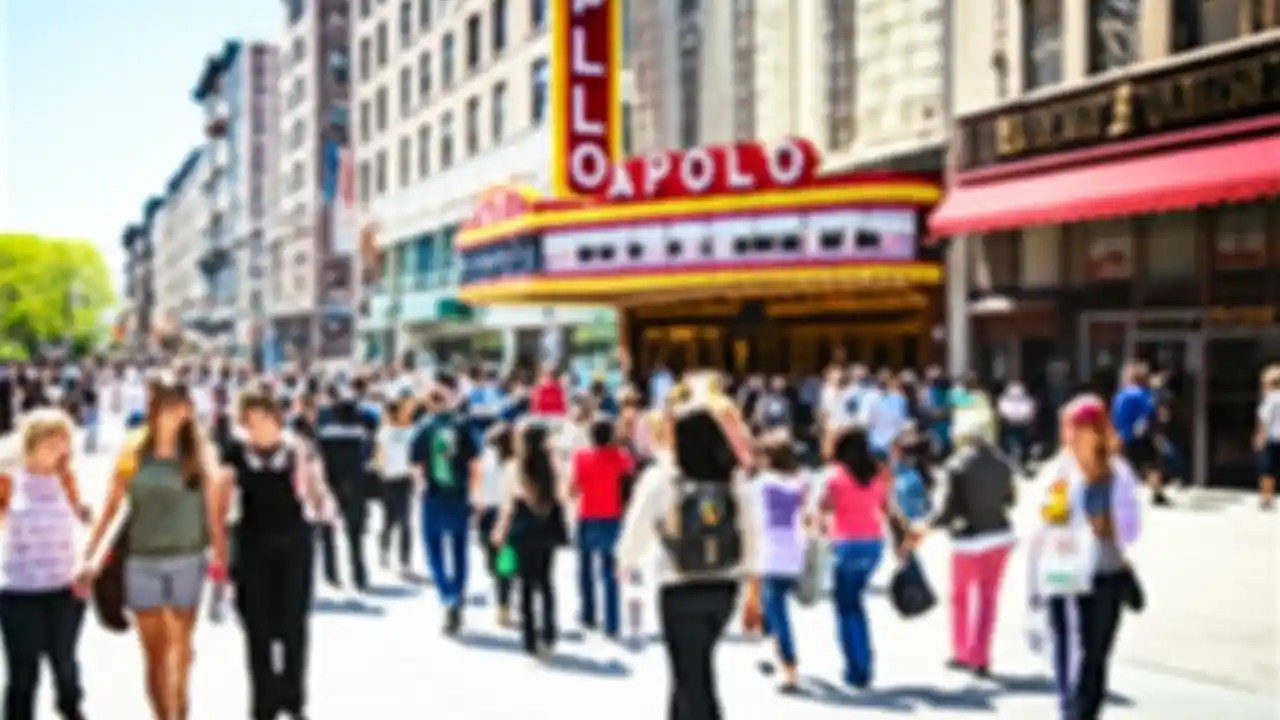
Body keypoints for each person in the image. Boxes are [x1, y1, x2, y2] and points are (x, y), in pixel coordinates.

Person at [77, 374, 228, 720]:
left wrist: (221, 560)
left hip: (187, 559)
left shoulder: (200, 452)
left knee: (182, 648)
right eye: (169, 404)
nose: (178, 412)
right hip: (142, 559)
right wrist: (89, 558)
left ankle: (181, 710)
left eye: (182, 405)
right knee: (155, 652)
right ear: (154, 408)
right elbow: (111, 506)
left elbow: (213, 511)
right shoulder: (133, 450)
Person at [617, 403, 758, 720]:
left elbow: (637, 526)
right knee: (694, 667)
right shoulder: (732, 479)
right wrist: (751, 580)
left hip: (679, 582)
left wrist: (626, 561)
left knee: (691, 675)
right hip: (724, 583)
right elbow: (749, 529)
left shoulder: (663, 477)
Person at [222, 390, 335, 720]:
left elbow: (317, 492)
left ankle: (294, 699)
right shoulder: (235, 453)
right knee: (256, 625)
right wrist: (218, 551)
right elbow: (221, 499)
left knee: (293, 624)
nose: (255, 427)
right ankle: (264, 702)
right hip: (251, 544)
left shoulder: (297, 448)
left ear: (275, 417)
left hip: (294, 543)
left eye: (261, 418)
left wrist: (317, 494)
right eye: (249, 421)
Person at [1031, 395, 1143, 720]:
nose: (1072, 435)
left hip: (1105, 572)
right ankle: (1070, 712)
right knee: (1067, 652)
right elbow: (1045, 520)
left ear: (1098, 430)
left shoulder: (1117, 472)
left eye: (1080, 428)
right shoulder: (1058, 471)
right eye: (1068, 428)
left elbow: (1132, 530)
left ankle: (1086, 712)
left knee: (1095, 654)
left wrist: (1107, 520)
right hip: (1064, 569)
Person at [0, 409, 91, 720]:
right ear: (32, 443)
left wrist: (85, 568)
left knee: (65, 664)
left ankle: (71, 708)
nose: (59, 449)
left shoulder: (66, 480)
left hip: (64, 588)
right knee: (23, 672)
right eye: (51, 442)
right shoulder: (8, 481)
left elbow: (80, 523)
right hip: (20, 591)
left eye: (63, 442)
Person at [818, 425, 915, 689]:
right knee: (856, 602)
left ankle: (857, 668)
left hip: (845, 544)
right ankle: (863, 662)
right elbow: (889, 510)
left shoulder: (835, 477)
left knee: (847, 607)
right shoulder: (879, 475)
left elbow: (822, 509)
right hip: (873, 544)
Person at [930, 413, 1016, 677]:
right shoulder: (1004, 464)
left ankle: (961, 652)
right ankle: (981, 656)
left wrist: (928, 525)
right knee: (988, 598)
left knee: (960, 597)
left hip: (968, 538)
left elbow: (948, 509)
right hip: (1000, 535)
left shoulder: (956, 465)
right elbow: (1010, 500)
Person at [491, 422, 569, 658]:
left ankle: (529, 637)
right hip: (547, 525)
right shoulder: (553, 466)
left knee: (524, 585)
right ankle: (549, 631)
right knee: (546, 581)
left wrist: (500, 530)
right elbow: (563, 495)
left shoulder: (514, 467)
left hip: (522, 525)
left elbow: (507, 504)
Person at [411, 379, 478, 635]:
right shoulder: (462, 426)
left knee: (434, 548)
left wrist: (420, 489)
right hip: (459, 494)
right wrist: (474, 493)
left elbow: (416, 466)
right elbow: (474, 463)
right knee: (460, 547)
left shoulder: (423, 428)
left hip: (433, 494)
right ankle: (459, 593)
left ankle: (447, 594)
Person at [750, 435, 809, 693]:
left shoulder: (760, 484)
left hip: (770, 552)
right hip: (795, 550)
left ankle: (789, 667)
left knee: (776, 611)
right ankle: (772, 651)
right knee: (772, 605)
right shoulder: (801, 482)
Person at [569, 418, 634, 638]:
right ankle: (612, 622)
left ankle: (588, 613)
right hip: (613, 517)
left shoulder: (581, 457)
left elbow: (573, 488)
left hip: (587, 515)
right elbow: (628, 486)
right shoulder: (622, 458)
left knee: (585, 569)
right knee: (610, 571)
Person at [315, 385, 375, 593]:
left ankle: (331, 574)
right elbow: (369, 451)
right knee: (355, 533)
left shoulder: (322, 419)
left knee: (328, 530)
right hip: (355, 483)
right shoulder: (363, 419)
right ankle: (359, 575)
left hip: (329, 482)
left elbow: (317, 452)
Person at [472, 423, 516, 626]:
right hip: (507, 515)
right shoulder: (515, 463)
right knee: (503, 565)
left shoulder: (483, 461)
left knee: (495, 564)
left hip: (487, 514)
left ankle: (503, 603)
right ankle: (504, 602)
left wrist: (476, 506)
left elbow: (475, 486)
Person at [374, 398, 417, 576]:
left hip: (397, 479)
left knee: (397, 520)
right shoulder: (388, 432)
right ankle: (395, 557)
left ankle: (399, 558)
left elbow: (379, 458)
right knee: (395, 520)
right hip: (395, 479)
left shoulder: (391, 432)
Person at [1111, 362, 1163, 506]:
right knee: (1152, 464)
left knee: (1120, 465)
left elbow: (1115, 416)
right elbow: (1149, 412)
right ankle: (1157, 493)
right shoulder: (1141, 394)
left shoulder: (1120, 395)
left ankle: (1117, 493)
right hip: (1138, 435)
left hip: (1121, 435)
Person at [1253, 365, 1280, 511]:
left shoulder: (1270, 398)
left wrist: (1259, 437)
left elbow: (1264, 419)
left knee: (1267, 470)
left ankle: (1266, 498)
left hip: (1272, 439)